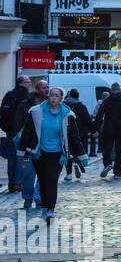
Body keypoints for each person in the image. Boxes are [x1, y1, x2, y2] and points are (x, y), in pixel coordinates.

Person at [17, 86, 87, 220]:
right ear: (48, 97)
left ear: (61, 98)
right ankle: (45, 206)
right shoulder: (36, 112)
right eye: (51, 95)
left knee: (52, 181)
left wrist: (81, 155)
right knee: (43, 182)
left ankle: (50, 209)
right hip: (40, 153)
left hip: (58, 154)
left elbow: (74, 137)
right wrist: (22, 154)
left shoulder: (67, 115)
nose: (53, 98)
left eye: (56, 95)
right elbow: (27, 133)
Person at [93, 83, 121, 178]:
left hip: (108, 128)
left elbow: (99, 115)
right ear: (119, 90)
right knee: (120, 150)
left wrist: (95, 129)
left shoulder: (107, 101)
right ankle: (118, 171)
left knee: (106, 148)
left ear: (111, 91)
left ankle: (107, 164)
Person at [1, 75, 32, 193]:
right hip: (22, 132)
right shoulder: (26, 97)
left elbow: (3, 115)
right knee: (22, 158)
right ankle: (18, 183)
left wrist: (7, 129)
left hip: (10, 132)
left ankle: (12, 184)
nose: (29, 84)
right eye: (28, 82)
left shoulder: (9, 95)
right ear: (22, 83)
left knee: (12, 158)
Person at [64, 90, 93, 181]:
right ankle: (78, 165)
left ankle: (69, 173)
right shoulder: (82, 107)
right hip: (80, 133)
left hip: (67, 133)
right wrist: (93, 130)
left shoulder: (64, 106)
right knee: (79, 151)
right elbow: (87, 120)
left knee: (68, 153)